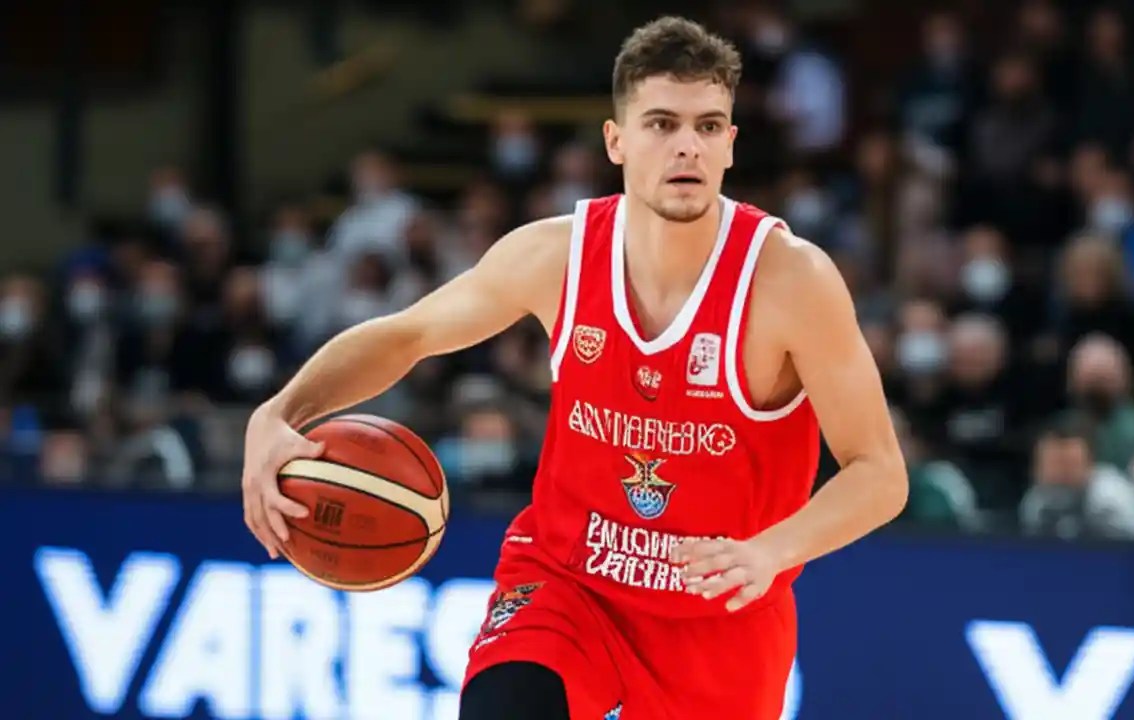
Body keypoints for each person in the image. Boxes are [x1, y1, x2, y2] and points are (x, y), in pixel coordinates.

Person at [239, 16, 907, 720]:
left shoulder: (789, 281)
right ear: (615, 141)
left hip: (721, 614)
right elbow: (408, 336)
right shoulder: (556, 256)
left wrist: (773, 551)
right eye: (660, 123)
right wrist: (278, 413)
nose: (687, 145)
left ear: (731, 145)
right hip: (567, 585)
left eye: (709, 126)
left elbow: (878, 472)